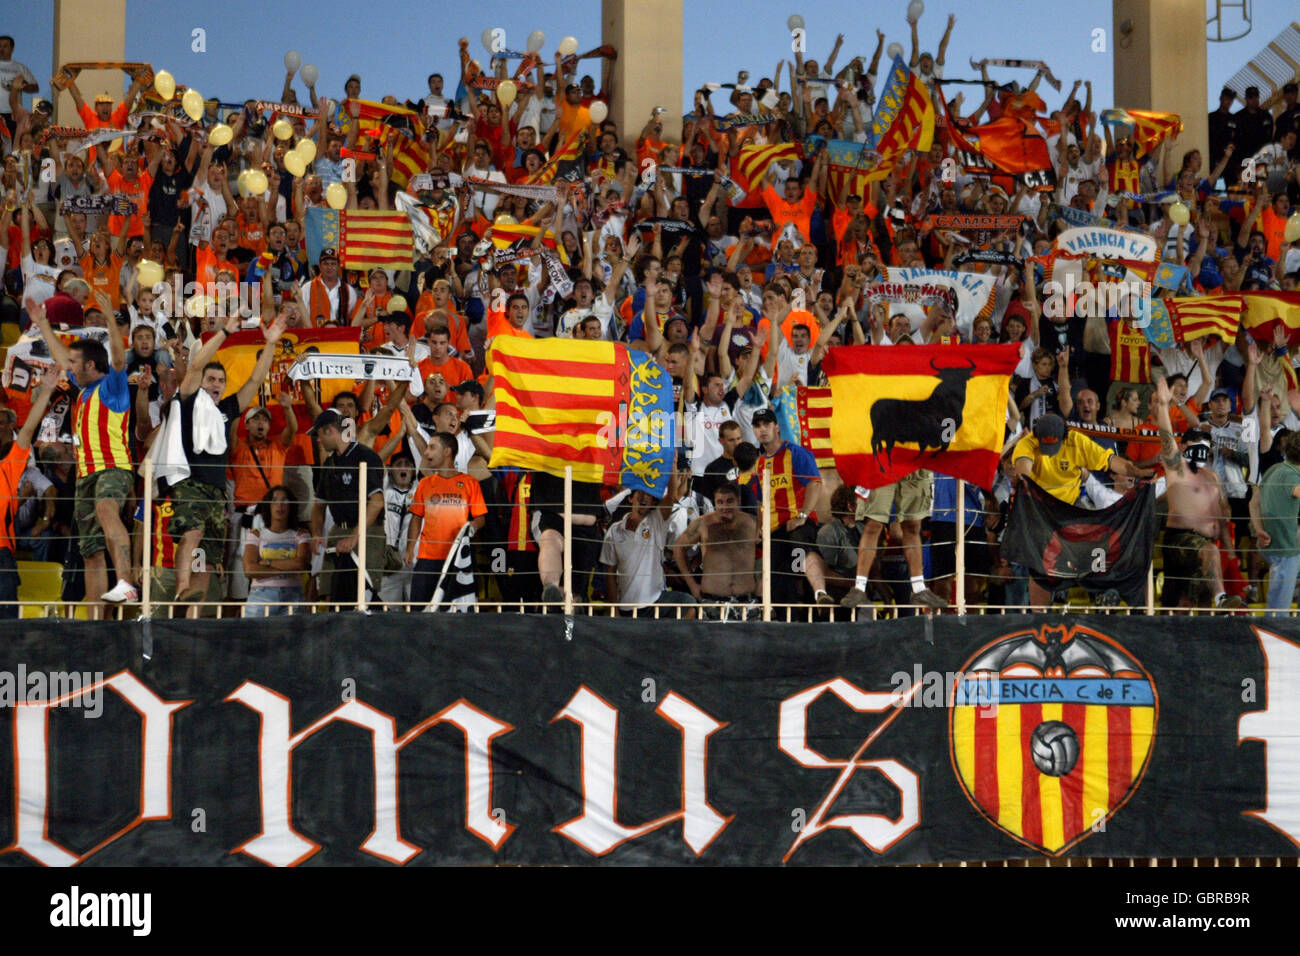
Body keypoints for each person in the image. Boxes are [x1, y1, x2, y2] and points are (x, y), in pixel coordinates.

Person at [168, 313, 287, 611]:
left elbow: (257, 378)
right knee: (192, 534)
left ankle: (192, 615)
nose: (216, 384)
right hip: (190, 483)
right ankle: (181, 588)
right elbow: (195, 366)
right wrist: (224, 332)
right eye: (211, 380)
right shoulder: (189, 400)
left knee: (206, 560)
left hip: (218, 491)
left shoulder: (229, 407)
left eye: (221, 381)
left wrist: (270, 343)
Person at [28, 300, 137, 611]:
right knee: (90, 550)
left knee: (106, 510)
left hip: (112, 467)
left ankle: (127, 583)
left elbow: (117, 358)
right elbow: (62, 357)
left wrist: (112, 324)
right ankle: (96, 625)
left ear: (91, 365)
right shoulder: (84, 389)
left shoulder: (112, 387)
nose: (70, 367)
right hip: (85, 475)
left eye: (77, 363)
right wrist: (42, 323)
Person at [1151, 378, 1244, 610]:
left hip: (1208, 547)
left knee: (1197, 603)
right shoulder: (1177, 468)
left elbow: (1222, 518)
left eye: (1205, 442)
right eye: (1196, 442)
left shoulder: (1212, 477)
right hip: (1182, 540)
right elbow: (1166, 437)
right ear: (1185, 446)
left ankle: (1212, 607)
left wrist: (1231, 556)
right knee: (1178, 604)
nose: (1202, 446)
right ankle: (1221, 598)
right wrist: (1163, 406)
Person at [749, 407, 833, 605]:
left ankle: (820, 594)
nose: (762, 429)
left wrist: (802, 516)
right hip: (774, 532)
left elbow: (814, 483)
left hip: (797, 526)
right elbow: (762, 501)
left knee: (800, 556)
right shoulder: (759, 464)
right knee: (779, 582)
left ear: (776, 427)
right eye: (758, 426)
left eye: (767, 424)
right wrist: (759, 528)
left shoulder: (795, 453)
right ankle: (788, 622)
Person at [309, 408, 387, 606]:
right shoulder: (329, 463)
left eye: (318, 435)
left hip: (367, 532)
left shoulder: (366, 456)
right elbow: (319, 504)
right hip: (337, 530)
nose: (318, 441)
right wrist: (317, 533)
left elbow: (377, 501)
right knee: (328, 591)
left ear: (329, 431)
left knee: (363, 593)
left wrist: (355, 536)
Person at [405, 432, 486, 611]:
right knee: (420, 610)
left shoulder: (470, 483)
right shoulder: (424, 484)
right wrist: (410, 548)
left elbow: (481, 518)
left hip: (457, 558)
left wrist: (474, 526)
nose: (426, 453)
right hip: (427, 558)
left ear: (447, 452)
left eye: (432, 447)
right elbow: (416, 518)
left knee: (456, 611)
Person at [0, 374, 57, 617]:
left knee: (8, 628)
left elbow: (27, 432)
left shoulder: (7, 468)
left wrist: (45, 392)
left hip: (1, 555)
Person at [601, 471, 695, 617]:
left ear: (654, 503)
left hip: (656, 602)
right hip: (627, 606)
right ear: (631, 498)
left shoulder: (656, 521)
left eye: (649, 494)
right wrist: (615, 610)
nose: (644, 496)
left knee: (689, 605)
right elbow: (610, 574)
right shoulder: (614, 531)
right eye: (640, 492)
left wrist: (673, 464)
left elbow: (671, 496)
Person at [673, 481, 759, 619]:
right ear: (715, 503)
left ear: (738, 501)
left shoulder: (753, 523)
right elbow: (678, 549)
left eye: (729, 501)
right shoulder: (703, 523)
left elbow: (771, 551)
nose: (725, 507)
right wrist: (692, 584)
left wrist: (763, 582)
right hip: (712, 600)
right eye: (720, 502)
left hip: (746, 600)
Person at [1250, 431, 1300, 616]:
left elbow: (1253, 503)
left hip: (1275, 545)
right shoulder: (1292, 477)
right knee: (1278, 614)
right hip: (1285, 550)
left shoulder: (1275, 469)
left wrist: (1259, 530)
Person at [242, 485, 311, 617]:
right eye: (274, 500)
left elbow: (301, 564)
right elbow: (249, 569)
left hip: (293, 594)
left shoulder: (301, 534)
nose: (280, 505)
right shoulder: (256, 534)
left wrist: (266, 562)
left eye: (285, 501)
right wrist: (287, 566)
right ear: (268, 506)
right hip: (261, 595)